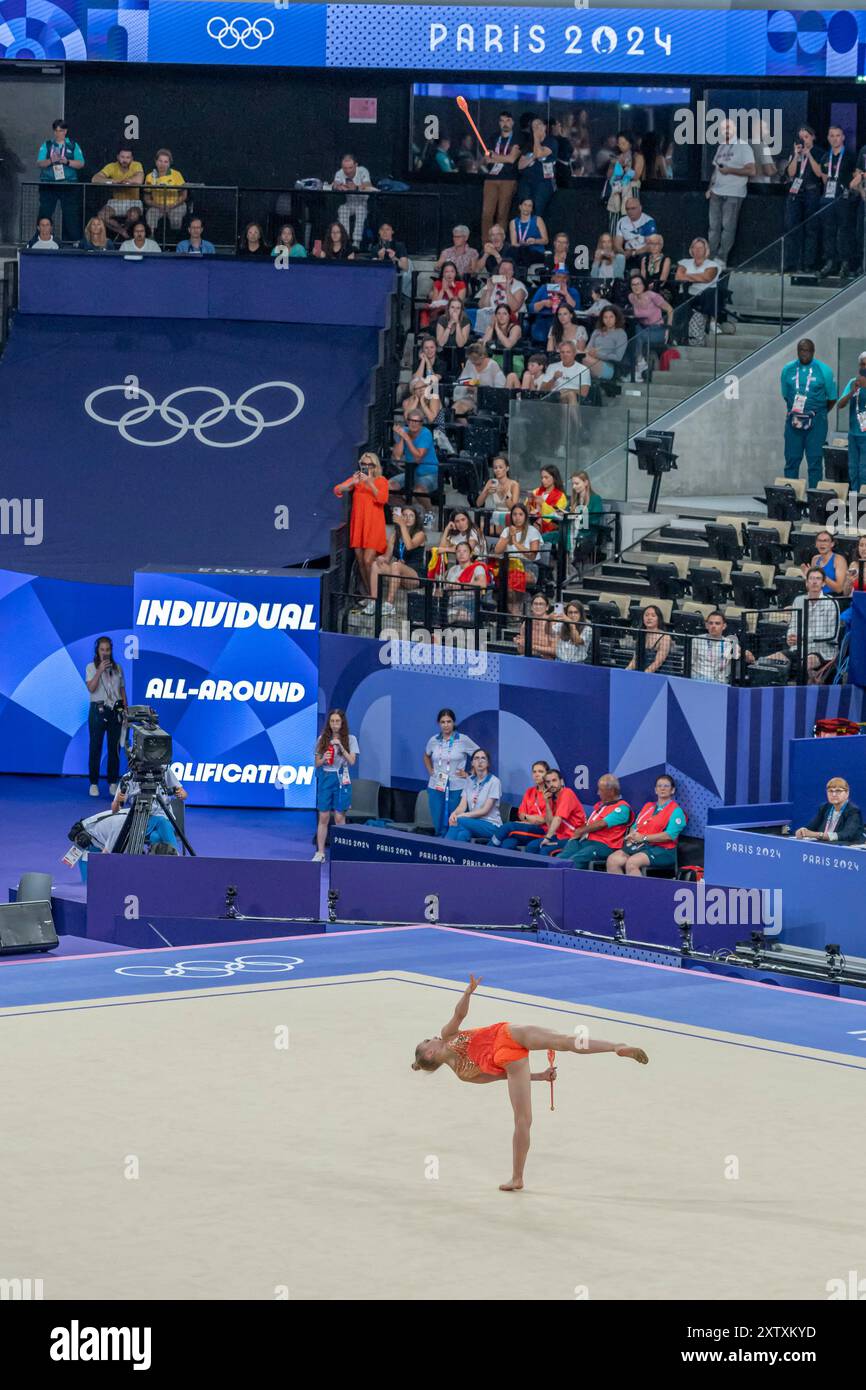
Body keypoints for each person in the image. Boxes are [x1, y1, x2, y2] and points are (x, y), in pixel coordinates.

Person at [411, 974, 648, 1193]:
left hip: (507, 1060)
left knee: (523, 1121)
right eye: (426, 1041)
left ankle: (517, 1178)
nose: (431, 1037)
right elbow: (459, 1015)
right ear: (430, 1053)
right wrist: (468, 992)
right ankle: (614, 1047)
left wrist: (539, 1076)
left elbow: (502, 1076)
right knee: (562, 1040)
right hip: (506, 1035)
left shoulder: (462, 1073)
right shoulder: (448, 1035)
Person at [780, 338, 837, 489]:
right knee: (792, 460)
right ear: (797, 351)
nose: (804, 353)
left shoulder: (824, 370)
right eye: (801, 350)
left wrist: (818, 413)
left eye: (807, 350)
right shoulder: (788, 369)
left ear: (813, 352)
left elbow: (832, 398)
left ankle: (814, 499)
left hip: (816, 423)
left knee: (815, 461)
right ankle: (791, 498)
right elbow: (786, 395)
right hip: (794, 421)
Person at [768, 567, 840, 681]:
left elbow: (832, 635)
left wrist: (804, 638)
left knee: (805, 663)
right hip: (799, 648)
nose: (814, 582)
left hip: (822, 651)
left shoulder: (831, 603)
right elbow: (793, 625)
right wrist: (790, 637)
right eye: (811, 579)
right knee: (769, 661)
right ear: (806, 583)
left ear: (823, 583)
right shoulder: (799, 600)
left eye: (818, 579)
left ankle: (802, 694)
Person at [606, 775, 686, 875]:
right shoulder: (648, 806)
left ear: (672, 790)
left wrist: (643, 838)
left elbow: (669, 835)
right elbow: (635, 826)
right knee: (613, 860)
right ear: (655, 790)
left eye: (666, 786)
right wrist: (632, 836)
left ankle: (636, 890)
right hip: (640, 846)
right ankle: (620, 890)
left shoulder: (677, 811)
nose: (662, 788)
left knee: (632, 863)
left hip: (662, 850)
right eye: (659, 786)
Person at [334, 450, 388, 597]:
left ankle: (374, 596)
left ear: (375, 466)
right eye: (363, 464)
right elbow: (337, 490)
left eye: (370, 464)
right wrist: (352, 482)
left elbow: (383, 499)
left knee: (368, 559)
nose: (366, 467)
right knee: (360, 560)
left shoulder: (381, 480)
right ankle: (369, 594)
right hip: (359, 524)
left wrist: (370, 483)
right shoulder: (357, 480)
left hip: (373, 525)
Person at [554, 774, 633, 869]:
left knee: (574, 861)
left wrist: (581, 830)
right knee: (559, 859)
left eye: (601, 790)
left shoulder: (622, 808)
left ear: (611, 791)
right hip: (586, 841)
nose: (598, 793)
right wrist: (577, 835)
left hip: (604, 845)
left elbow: (601, 824)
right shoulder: (600, 806)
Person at [706, 119, 756, 265]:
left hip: (734, 193)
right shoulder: (721, 146)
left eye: (728, 127)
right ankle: (710, 257)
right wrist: (710, 187)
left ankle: (722, 258)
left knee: (728, 227)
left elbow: (751, 170)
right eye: (723, 128)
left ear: (734, 128)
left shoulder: (743, 146)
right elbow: (716, 170)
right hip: (717, 191)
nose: (725, 130)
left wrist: (730, 170)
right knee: (713, 227)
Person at [423, 709, 478, 836]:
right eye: (443, 722)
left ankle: (451, 842)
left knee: (455, 818)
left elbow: (479, 754)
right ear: (438, 723)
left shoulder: (463, 739)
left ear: (453, 723)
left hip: (457, 785)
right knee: (438, 815)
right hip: (437, 784)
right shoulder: (434, 740)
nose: (446, 725)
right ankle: (439, 839)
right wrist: (431, 771)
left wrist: (470, 773)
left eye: (449, 721)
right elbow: (426, 756)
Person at [313, 710, 359, 862]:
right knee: (324, 816)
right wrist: (324, 759)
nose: (334, 724)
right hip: (326, 777)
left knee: (339, 817)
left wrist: (341, 747)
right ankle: (320, 852)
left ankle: (341, 854)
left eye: (337, 721)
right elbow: (316, 764)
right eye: (332, 721)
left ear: (342, 722)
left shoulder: (351, 739)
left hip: (341, 779)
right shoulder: (322, 739)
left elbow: (352, 761)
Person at [85, 636, 127, 797]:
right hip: (98, 710)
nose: (105, 652)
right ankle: (94, 783)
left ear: (111, 650)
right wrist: (99, 670)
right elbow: (91, 688)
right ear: (97, 650)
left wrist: (126, 710)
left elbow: (122, 690)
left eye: (107, 649)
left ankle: (112, 781)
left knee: (114, 749)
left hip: (115, 711)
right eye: (102, 649)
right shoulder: (90, 667)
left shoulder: (118, 668)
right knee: (95, 747)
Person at [367, 505, 427, 613]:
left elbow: (409, 545)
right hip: (398, 573)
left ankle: (389, 604)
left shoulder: (420, 534)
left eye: (411, 516)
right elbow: (387, 556)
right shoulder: (395, 535)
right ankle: (373, 602)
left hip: (415, 576)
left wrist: (402, 526)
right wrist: (381, 558)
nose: (407, 518)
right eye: (404, 515)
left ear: (415, 519)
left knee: (395, 565)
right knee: (376, 564)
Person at [783, 126, 824, 274]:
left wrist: (809, 155)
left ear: (813, 137)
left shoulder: (819, 152)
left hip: (811, 191)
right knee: (791, 226)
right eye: (801, 137)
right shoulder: (796, 151)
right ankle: (791, 262)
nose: (804, 140)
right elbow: (791, 172)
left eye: (806, 137)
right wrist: (796, 155)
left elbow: (820, 173)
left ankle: (808, 263)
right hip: (796, 191)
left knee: (811, 228)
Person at [818, 126, 856, 280]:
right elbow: (824, 178)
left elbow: (856, 176)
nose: (835, 138)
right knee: (828, 231)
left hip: (844, 199)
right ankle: (830, 262)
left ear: (843, 138)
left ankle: (845, 264)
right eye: (832, 136)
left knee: (844, 231)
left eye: (838, 135)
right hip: (827, 198)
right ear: (828, 138)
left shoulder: (850, 156)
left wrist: (851, 192)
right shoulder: (825, 157)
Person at [37, 119, 84, 243]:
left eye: (61, 131)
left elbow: (81, 164)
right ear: (54, 132)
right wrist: (51, 160)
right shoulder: (47, 145)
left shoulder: (73, 145)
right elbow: (40, 163)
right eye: (56, 131)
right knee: (45, 212)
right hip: (49, 184)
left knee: (71, 214)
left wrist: (67, 161)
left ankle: (75, 242)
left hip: (68, 184)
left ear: (66, 131)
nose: (59, 133)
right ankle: (39, 239)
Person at [524, 767, 587, 855]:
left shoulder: (567, 793)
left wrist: (548, 838)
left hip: (573, 838)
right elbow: (550, 824)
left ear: (561, 781)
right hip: (559, 836)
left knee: (544, 850)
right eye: (548, 782)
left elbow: (558, 818)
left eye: (554, 780)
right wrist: (547, 802)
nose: (551, 784)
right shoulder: (552, 798)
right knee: (532, 846)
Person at [444, 750, 504, 843]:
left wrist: (462, 816)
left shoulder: (494, 781)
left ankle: (444, 850)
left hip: (491, 825)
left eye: (483, 758)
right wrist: (454, 813)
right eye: (476, 758)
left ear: (488, 763)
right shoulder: (469, 780)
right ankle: (458, 857)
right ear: (472, 763)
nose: (480, 761)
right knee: (462, 834)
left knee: (459, 821)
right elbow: (462, 806)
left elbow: (485, 811)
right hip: (471, 823)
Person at [490, 760, 550, 851]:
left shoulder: (550, 794)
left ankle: (487, 852)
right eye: (534, 772)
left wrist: (528, 819)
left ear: (547, 774)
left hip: (542, 831)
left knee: (508, 827)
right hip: (525, 827)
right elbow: (521, 814)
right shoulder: (529, 791)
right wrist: (529, 819)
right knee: (508, 843)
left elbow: (543, 820)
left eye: (540, 771)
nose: (536, 774)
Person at [480, 112, 521, 241]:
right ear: (499, 123)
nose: (505, 124)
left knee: (502, 214)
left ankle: (499, 244)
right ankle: (486, 244)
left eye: (508, 120)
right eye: (502, 121)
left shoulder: (517, 138)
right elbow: (487, 159)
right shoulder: (493, 138)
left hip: (508, 179)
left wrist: (495, 158)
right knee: (487, 214)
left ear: (513, 122)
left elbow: (512, 159)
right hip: (491, 178)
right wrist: (497, 158)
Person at [494, 503, 543, 610]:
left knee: (511, 581)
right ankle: (514, 614)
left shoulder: (533, 531)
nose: (517, 517)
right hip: (510, 565)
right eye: (514, 514)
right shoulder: (507, 531)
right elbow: (497, 551)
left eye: (520, 514)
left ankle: (514, 613)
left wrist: (515, 543)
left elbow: (532, 555)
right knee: (507, 579)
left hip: (528, 566)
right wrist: (509, 536)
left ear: (525, 516)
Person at [674, 237, 722, 341]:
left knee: (710, 292)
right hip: (687, 294)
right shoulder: (684, 262)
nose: (697, 250)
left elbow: (707, 278)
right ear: (691, 249)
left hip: (705, 295)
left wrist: (688, 276)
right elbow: (678, 277)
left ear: (706, 250)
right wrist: (699, 276)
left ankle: (711, 322)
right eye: (695, 248)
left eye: (700, 248)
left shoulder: (713, 265)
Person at [92, 146, 144, 238]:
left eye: (128, 157)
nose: (125, 160)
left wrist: (126, 181)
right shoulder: (111, 166)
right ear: (118, 157)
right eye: (122, 157)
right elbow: (95, 179)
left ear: (132, 158)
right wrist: (112, 181)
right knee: (101, 215)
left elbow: (139, 179)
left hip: (133, 201)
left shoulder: (136, 165)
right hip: (116, 202)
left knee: (133, 216)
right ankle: (122, 231)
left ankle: (125, 228)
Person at [628, 273, 673, 377]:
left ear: (644, 285)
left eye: (638, 284)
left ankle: (639, 364)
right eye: (633, 284)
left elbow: (670, 310)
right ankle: (635, 366)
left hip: (658, 330)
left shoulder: (652, 296)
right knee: (632, 331)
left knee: (637, 335)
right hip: (643, 329)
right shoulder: (631, 297)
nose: (636, 287)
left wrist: (668, 329)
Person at [794, 778, 864, 844]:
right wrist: (802, 830)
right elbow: (811, 827)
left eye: (838, 791)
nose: (834, 794)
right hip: (827, 846)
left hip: (848, 849)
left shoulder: (853, 811)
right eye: (830, 791)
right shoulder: (824, 807)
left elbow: (846, 834)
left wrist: (819, 835)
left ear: (847, 793)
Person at [836, 351, 866, 496]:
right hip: (853, 434)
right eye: (862, 364)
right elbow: (839, 405)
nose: (864, 367)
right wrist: (851, 393)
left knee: (864, 471)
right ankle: (855, 503)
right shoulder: (853, 382)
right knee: (853, 470)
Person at [390, 411, 440, 495]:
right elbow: (397, 456)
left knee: (418, 491)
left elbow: (418, 457)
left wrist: (407, 438)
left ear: (421, 423)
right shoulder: (404, 431)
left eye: (417, 421)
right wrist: (402, 437)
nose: (413, 424)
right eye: (411, 421)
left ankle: (429, 508)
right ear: (407, 422)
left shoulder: (426, 433)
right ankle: (405, 506)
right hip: (411, 473)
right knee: (388, 487)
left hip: (429, 473)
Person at [517, 118, 557, 222]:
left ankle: (536, 235)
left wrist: (536, 137)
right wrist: (532, 157)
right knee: (524, 209)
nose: (537, 127)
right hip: (527, 180)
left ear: (544, 127)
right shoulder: (528, 144)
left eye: (539, 124)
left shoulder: (551, 141)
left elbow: (539, 153)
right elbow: (520, 165)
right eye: (534, 126)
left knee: (537, 209)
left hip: (544, 181)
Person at [452, 342, 506, 417]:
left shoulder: (493, 365)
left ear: (482, 356)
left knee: (482, 415)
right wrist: (470, 385)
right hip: (470, 398)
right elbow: (461, 382)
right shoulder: (469, 363)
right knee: (455, 409)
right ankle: (464, 427)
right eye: (471, 359)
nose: (473, 361)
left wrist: (479, 390)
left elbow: (500, 389)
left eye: (475, 359)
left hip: (487, 402)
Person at [332, 153, 374, 248]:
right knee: (342, 209)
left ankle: (356, 242)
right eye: (345, 168)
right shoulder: (339, 172)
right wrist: (338, 186)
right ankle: (345, 240)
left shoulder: (363, 171)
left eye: (350, 168)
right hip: (349, 203)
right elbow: (334, 183)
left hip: (363, 203)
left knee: (360, 210)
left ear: (356, 165)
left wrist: (356, 187)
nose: (347, 171)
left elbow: (368, 184)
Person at [143, 149, 187, 240]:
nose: (162, 164)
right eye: (160, 161)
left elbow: (184, 195)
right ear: (156, 162)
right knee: (151, 215)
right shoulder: (149, 176)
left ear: (169, 163)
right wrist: (160, 206)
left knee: (176, 217)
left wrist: (171, 206)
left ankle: (175, 241)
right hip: (157, 206)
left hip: (176, 205)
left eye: (165, 162)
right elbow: (147, 199)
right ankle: (152, 239)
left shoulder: (176, 174)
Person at [444, 541, 492, 623]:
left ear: (470, 555)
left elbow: (482, 584)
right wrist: (449, 588)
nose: (461, 554)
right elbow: (447, 592)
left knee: (460, 616)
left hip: (469, 604)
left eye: (465, 551)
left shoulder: (478, 568)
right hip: (452, 603)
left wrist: (461, 585)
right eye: (458, 551)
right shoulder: (452, 569)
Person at [527, 269, 578, 344]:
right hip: (543, 320)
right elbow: (531, 308)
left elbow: (576, 309)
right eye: (558, 277)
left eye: (564, 277)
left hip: (564, 322)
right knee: (540, 335)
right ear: (553, 278)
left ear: (567, 279)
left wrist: (566, 294)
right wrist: (543, 303)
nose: (561, 280)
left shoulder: (572, 291)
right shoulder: (544, 288)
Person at [691, 610, 741, 684]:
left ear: (724, 626)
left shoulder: (730, 643)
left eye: (717, 623)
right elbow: (688, 663)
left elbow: (746, 658)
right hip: (699, 681)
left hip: (720, 683)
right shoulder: (696, 640)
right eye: (710, 623)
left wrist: (742, 652)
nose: (713, 626)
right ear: (706, 625)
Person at [582, 307, 628, 381]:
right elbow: (588, 349)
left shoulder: (621, 334)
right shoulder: (597, 332)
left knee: (582, 359)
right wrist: (590, 352)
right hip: (591, 360)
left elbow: (618, 357)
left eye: (611, 317)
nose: (608, 320)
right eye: (605, 317)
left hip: (609, 366)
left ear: (616, 318)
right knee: (577, 357)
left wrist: (598, 354)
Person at [477, 455, 520, 533]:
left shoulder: (514, 484)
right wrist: (486, 492)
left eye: (500, 467)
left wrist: (504, 494)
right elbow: (478, 503)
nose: (497, 470)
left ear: (507, 468)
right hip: (496, 515)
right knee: (479, 527)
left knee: (497, 528)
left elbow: (514, 508)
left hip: (509, 516)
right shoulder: (491, 482)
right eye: (495, 468)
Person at [571, 471, 604, 568]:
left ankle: (573, 568)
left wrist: (578, 517)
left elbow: (595, 517)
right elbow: (566, 512)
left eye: (577, 483)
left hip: (588, 533)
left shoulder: (595, 499)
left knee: (576, 543)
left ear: (586, 483)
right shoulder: (574, 499)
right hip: (572, 530)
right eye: (573, 484)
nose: (574, 487)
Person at [627, 604, 672, 674]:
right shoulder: (641, 634)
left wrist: (644, 675)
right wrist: (626, 671)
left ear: (659, 619)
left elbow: (658, 662)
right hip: (642, 672)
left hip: (660, 674)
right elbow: (635, 659)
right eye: (646, 615)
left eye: (653, 616)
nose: (649, 618)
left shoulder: (665, 637)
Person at [508, 196, 549, 270]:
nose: (527, 208)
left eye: (530, 206)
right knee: (512, 250)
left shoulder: (538, 220)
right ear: (520, 207)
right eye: (525, 205)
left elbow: (546, 240)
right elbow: (514, 243)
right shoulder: (513, 222)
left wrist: (534, 241)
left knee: (524, 251)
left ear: (532, 209)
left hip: (536, 252)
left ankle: (522, 275)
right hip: (521, 250)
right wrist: (522, 244)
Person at [527, 465, 567, 538]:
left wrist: (543, 504)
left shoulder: (561, 496)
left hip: (550, 530)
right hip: (532, 524)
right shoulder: (536, 491)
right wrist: (529, 503)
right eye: (542, 478)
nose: (543, 480)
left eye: (546, 477)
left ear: (554, 478)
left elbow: (557, 516)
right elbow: (526, 509)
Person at [423, 260, 467, 327]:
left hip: (455, 311)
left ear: (455, 273)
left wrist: (447, 289)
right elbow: (434, 302)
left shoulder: (461, 284)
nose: (449, 274)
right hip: (438, 311)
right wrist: (442, 290)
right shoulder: (437, 283)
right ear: (443, 274)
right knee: (426, 312)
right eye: (446, 272)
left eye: (452, 271)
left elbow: (458, 303)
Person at [804, 530, 848, 596]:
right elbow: (811, 587)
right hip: (816, 595)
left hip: (833, 597)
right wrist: (807, 577)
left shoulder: (839, 560)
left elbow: (839, 589)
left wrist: (821, 575)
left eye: (825, 541)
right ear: (816, 544)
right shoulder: (815, 559)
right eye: (819, 541)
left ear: (832, 544)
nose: (822, 544)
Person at [514, 591, 557, 659]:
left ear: (547, 607)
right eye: (535, 604)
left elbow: (555, 651)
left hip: (547, 660)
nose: (538, 607)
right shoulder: (526, 623)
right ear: (531, 607)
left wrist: (531, 646)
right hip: (528, 658)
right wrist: (520, 644)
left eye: (541, 604)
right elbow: (520, 651)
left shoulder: (553, 623)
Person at [614, 197, 657, 264]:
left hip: (643, 253)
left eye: (633, 208)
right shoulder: (621, 221)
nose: (630, 211)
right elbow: (617, 244)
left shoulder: (649, 221)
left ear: (640, 208)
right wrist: (623, 253)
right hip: (627, 253)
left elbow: (650, 246)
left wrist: (633, 253)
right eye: (627, 209)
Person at [555, 600, 593, 664]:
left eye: (576, 612)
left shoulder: (588, 629)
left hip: (577, 664)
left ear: (581, 614)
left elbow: (577, 641)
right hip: (559, 661)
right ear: (566, 614)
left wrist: (571, 624)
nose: (573, 615)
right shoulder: (561, 624)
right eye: (570, 612)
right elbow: (547, 631)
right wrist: (551, 616)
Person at [639, 234, 672, 300]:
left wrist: (652, 288)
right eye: (651, 243)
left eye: (656, 244)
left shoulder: (666, 260)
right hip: (646, 290)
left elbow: (662, 281)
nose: (653, 246)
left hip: (661, 290)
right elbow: (642, 279)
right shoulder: (644, 259)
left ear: (661, 245)